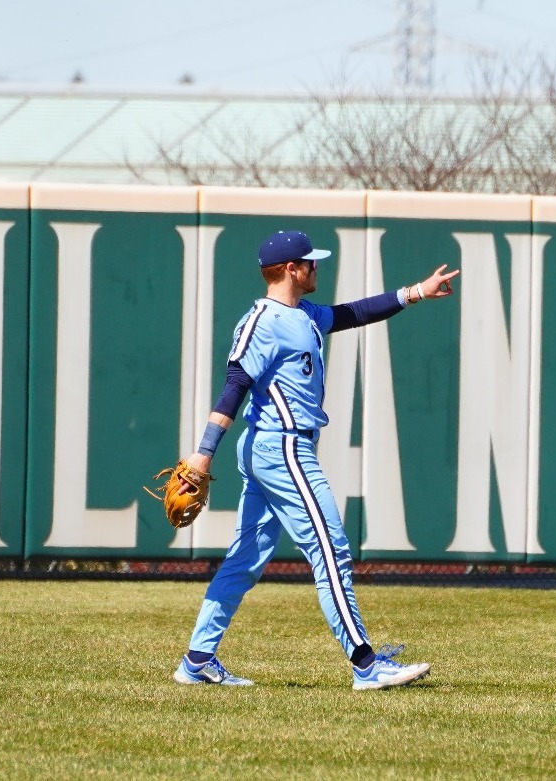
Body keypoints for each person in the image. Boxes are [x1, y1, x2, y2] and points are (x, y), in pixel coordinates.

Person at [172, 229, 460, 691]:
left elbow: (353, 313)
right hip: (280, 447)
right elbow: (233, 389)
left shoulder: (303, 314)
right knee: (331, 550)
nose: (316, 268)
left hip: (279, 446)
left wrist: (415, 293)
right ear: (291, 269)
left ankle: (197, 660)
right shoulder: (262, 321)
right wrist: (202, 455)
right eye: (311, 263)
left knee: (245, 560)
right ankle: (366, 664)